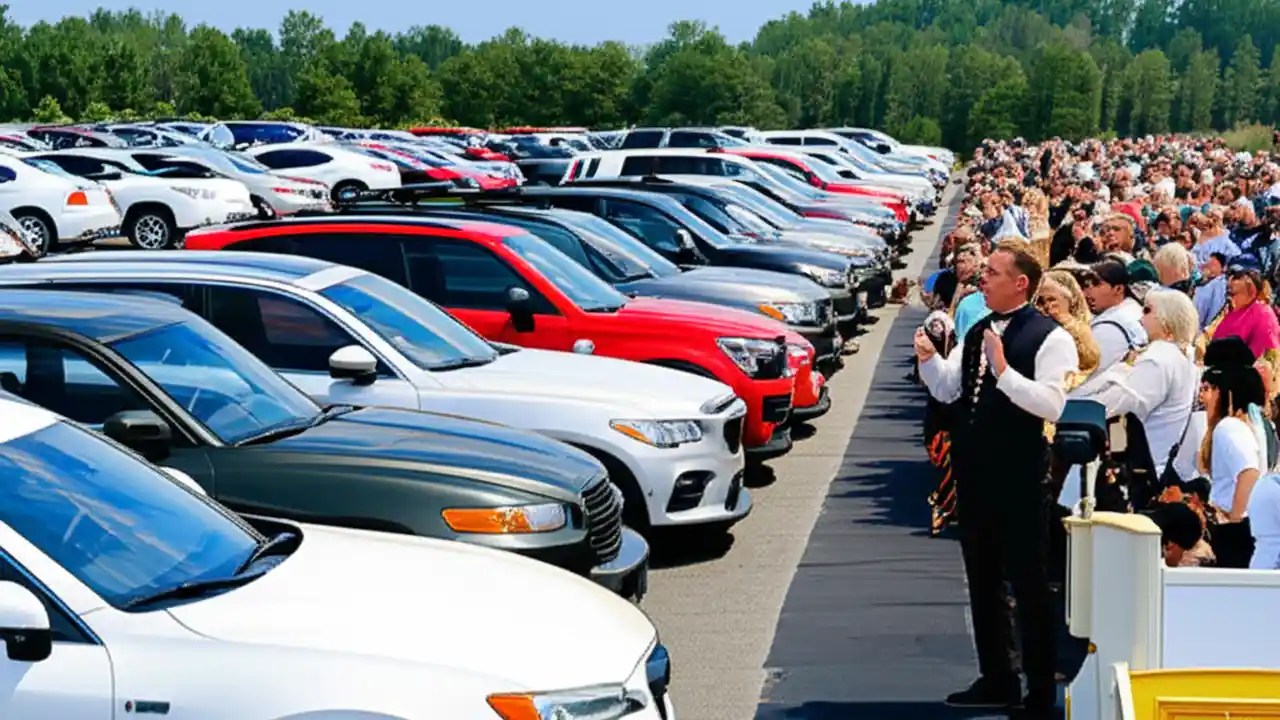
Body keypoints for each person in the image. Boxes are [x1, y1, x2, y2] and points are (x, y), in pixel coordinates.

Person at [916, 242, 1078, 716]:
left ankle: (1040, 688)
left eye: (992, 272)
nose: (982, 279)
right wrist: (929, 360)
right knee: (982, 578)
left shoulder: (1051, 337)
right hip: (976, 470)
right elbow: (952, 387)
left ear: (1020, 282)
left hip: (1022, 476)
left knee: (1028, 583)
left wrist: (1005, 370)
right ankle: (997, 675)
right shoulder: (981, 328)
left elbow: (1051, 404)